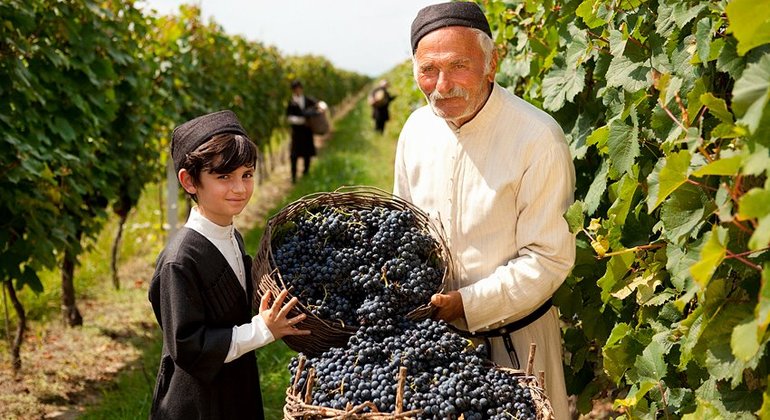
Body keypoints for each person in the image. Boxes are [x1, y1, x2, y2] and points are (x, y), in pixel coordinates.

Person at [393, 3, 576, 419]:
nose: (442, 85)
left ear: (492, 64)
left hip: (518, 345)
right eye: (428, 70)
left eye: (459, 66)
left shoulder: (537, 138)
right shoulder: (415, 131)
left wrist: (467, 303)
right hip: (434, 345)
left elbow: (548, 259)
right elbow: (404, 231)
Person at [148, 110, 310, 419]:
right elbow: (188, 346)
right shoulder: (179, 261)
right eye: (224, 177)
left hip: (233, 385)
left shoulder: (232, 237)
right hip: (198, 403)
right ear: (189, 181)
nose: (240, 188)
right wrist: (262, 329)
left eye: (247, 175)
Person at [286, 80, 318, 183]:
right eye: (295, 89)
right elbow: (289, 117)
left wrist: (321, 108)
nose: (298, 90)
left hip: (307, 131)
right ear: (293, 90)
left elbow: (318, 105)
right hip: (297, 132)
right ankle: (293, 176)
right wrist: (300, 120)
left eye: (299, 88)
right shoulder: (291, 102)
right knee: (294, 155)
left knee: (307, 153)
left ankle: (306, 173)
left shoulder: (308, 99)